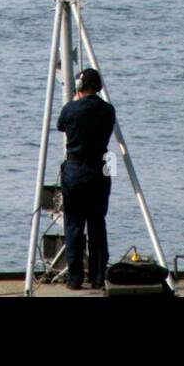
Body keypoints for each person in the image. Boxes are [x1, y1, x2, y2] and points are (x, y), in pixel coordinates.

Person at [57, 68, 115, 291]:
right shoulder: (109, 110)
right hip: (102, 168)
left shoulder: (70, 109)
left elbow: (61, 125)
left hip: (75, 169)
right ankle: (98, 276)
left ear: (80, 87)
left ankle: (75, 278)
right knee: (97, 224)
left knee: (74, 226)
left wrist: (74, 102)